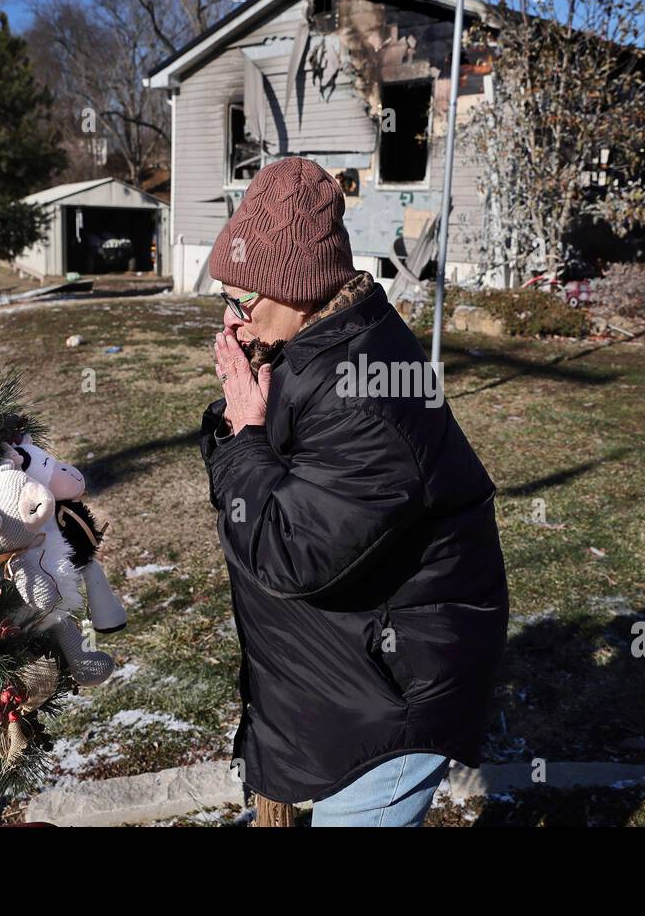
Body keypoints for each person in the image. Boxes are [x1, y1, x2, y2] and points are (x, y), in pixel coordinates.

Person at [198, 156, 509, 827]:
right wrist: (246, 412)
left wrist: (246, 430)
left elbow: (285, 553)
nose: (232, 320)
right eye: (224, 297)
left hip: (396, 684)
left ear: (298, 288)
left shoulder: (364, 397)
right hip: (346, 655)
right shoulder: (314, 345)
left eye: (242, 301)